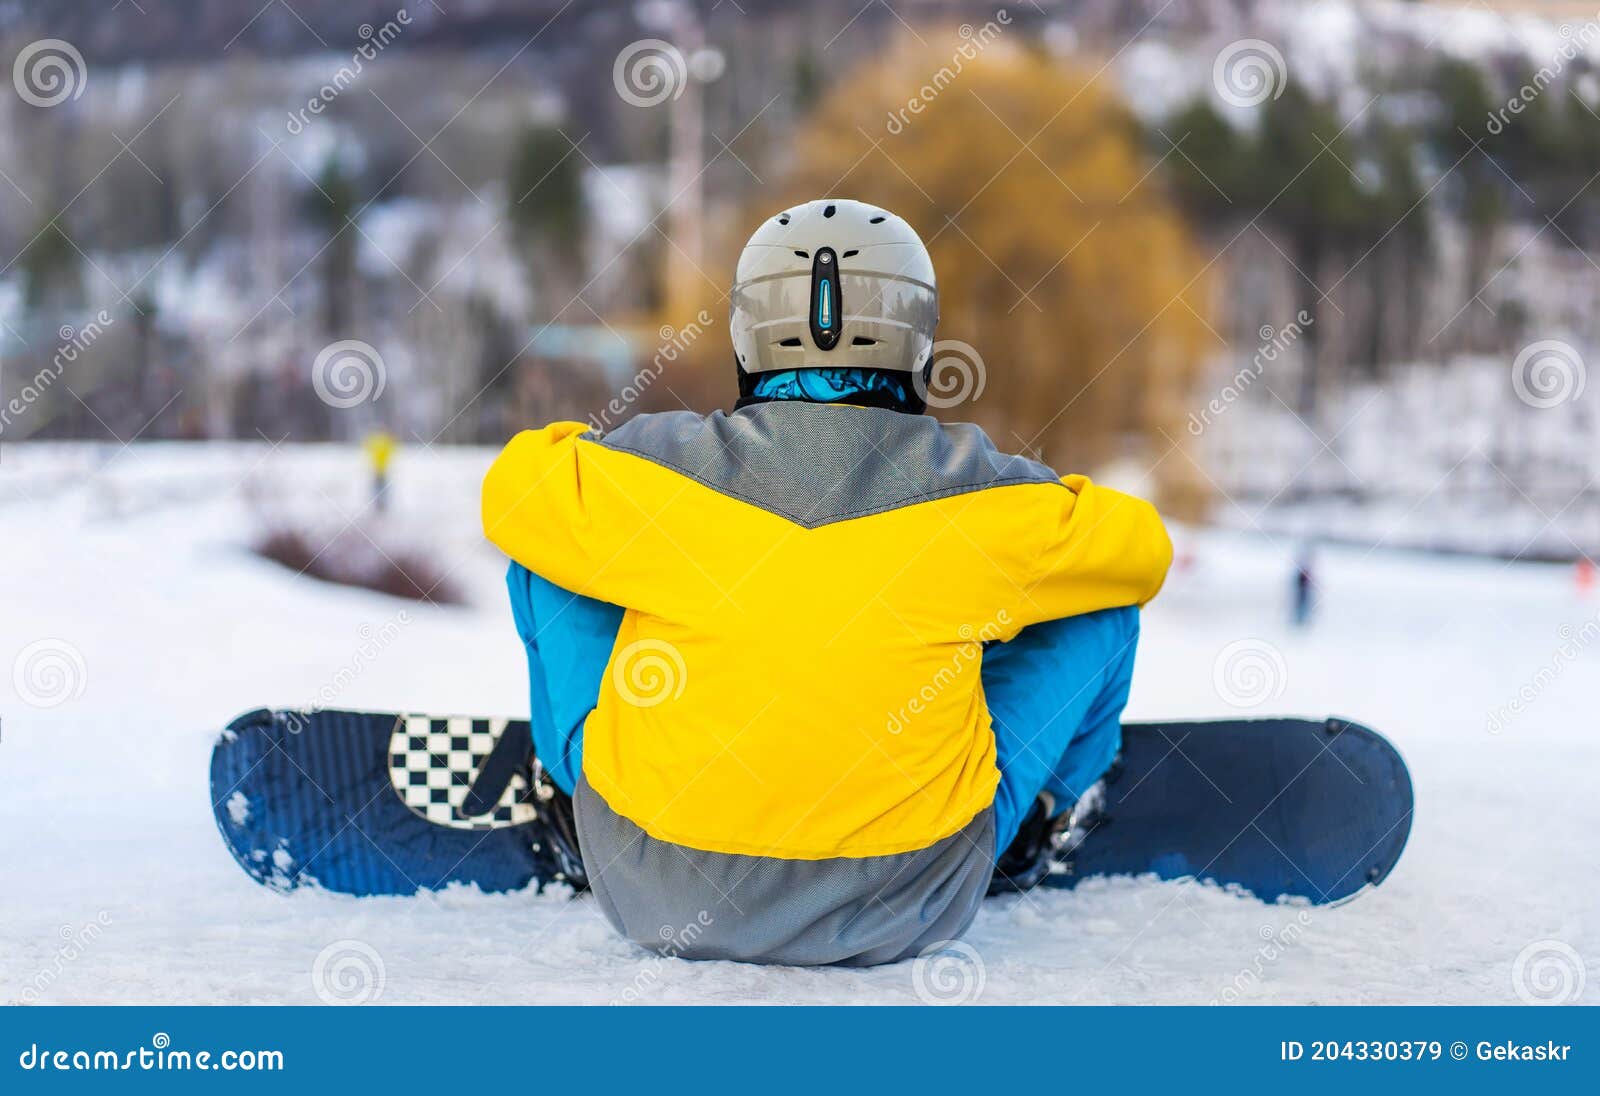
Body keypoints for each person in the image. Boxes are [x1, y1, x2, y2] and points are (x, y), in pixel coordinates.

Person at [481, 199, 1171, 966]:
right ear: (920, 341)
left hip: (652, 888)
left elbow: (514, 492)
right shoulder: (987, 497)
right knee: (1099, 608)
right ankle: (1041, 819)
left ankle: (573, 801)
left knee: (551, 553)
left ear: (748, 337)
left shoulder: (655, 469)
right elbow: (1141, 552)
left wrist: (597, 457)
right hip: (916, 900)